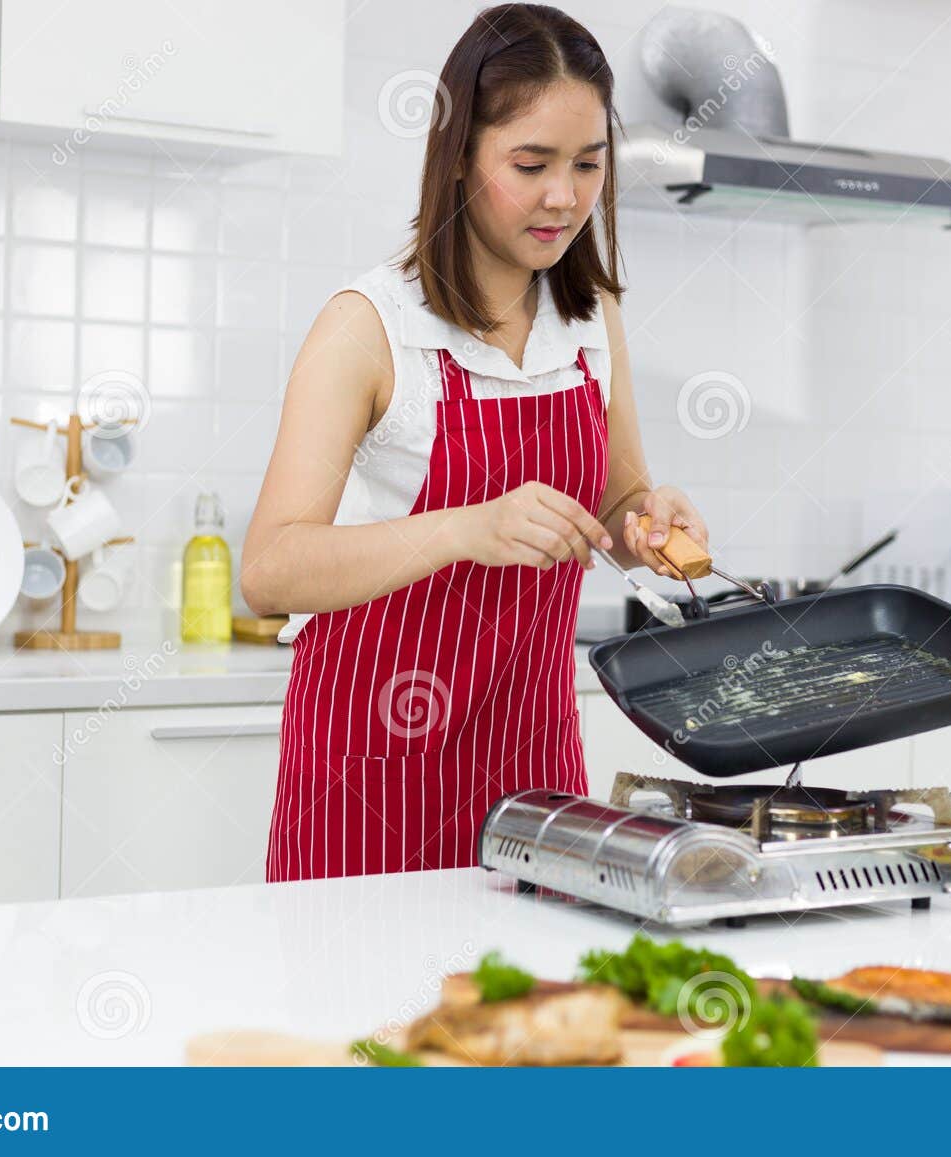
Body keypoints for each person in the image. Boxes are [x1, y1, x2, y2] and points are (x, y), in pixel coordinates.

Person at [243, 4, 710, 880]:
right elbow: (270, 569)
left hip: (534, 764)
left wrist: (649, 522)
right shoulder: (369, 327)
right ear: (459, 155)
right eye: (531, 165)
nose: (564, 196)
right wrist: (467, 528)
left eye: (588, 165)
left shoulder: (590, 318)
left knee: (532, 975)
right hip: (373, 770)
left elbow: (618, 500)